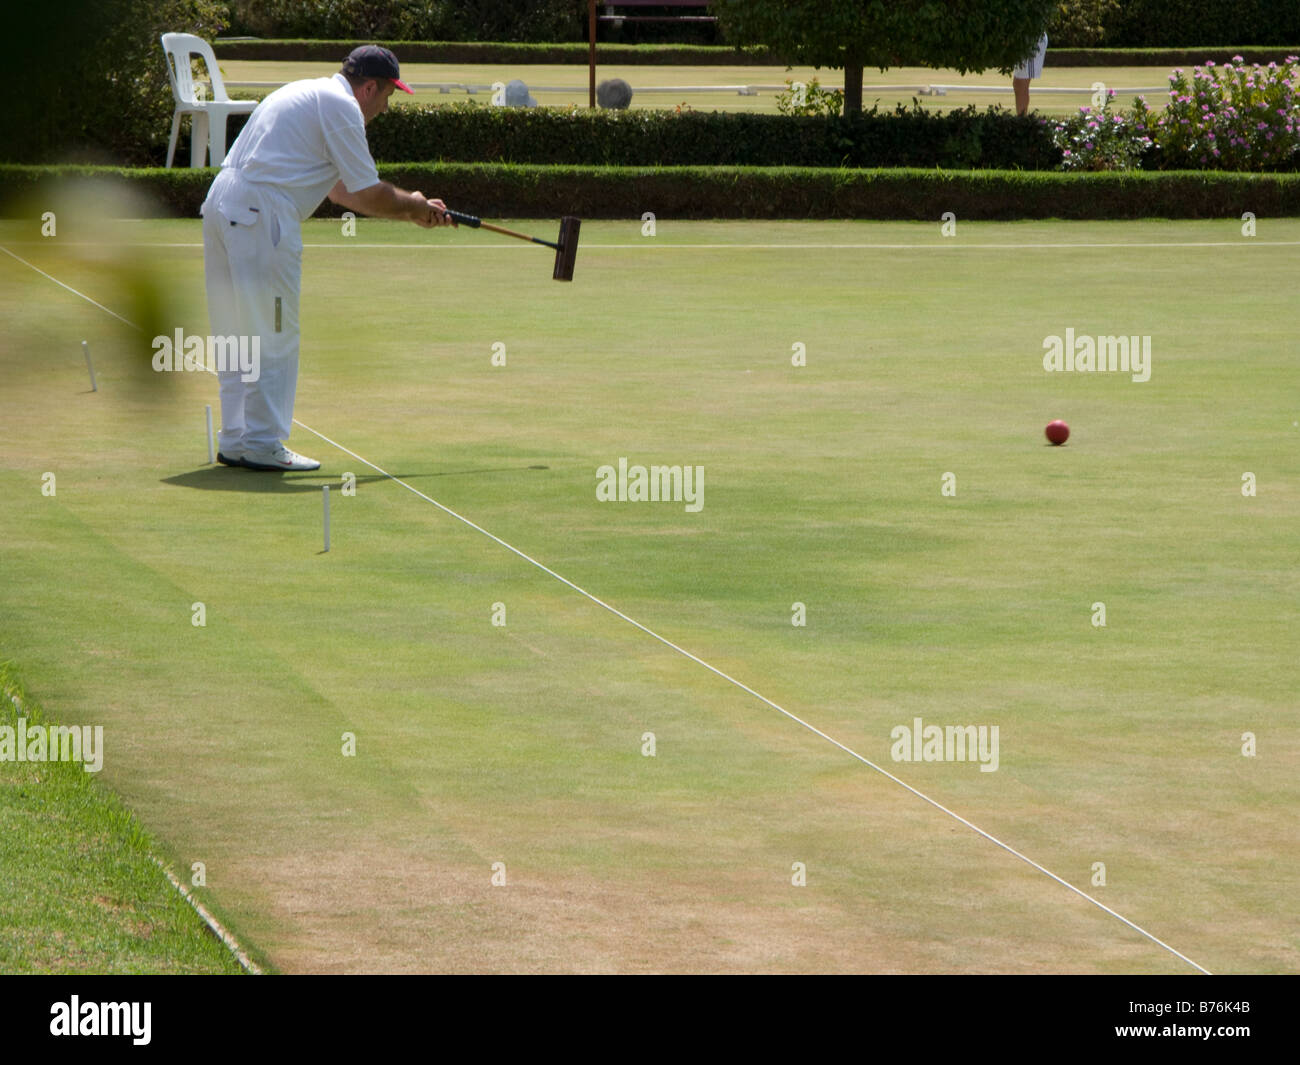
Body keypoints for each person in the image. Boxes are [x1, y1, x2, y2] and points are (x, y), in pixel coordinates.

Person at [202, 45, 454, 472]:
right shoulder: (342, 108)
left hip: (221, 205)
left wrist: (412, 209)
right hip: (264, 213)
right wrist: (413, 205)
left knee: (236, 331)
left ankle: (236, 438)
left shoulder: (309, 92)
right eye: (388, 96)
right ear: (369, 88)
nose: (385, 108)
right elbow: (369, 191)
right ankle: (262, 442)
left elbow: (343, 192)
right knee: (275, 329)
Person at [1012, 31, 1048, 116]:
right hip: (1023, 39)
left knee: (1021, 83)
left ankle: (1022, 122)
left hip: (1031, 39)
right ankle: (1021, 121)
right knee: (1018, 83)